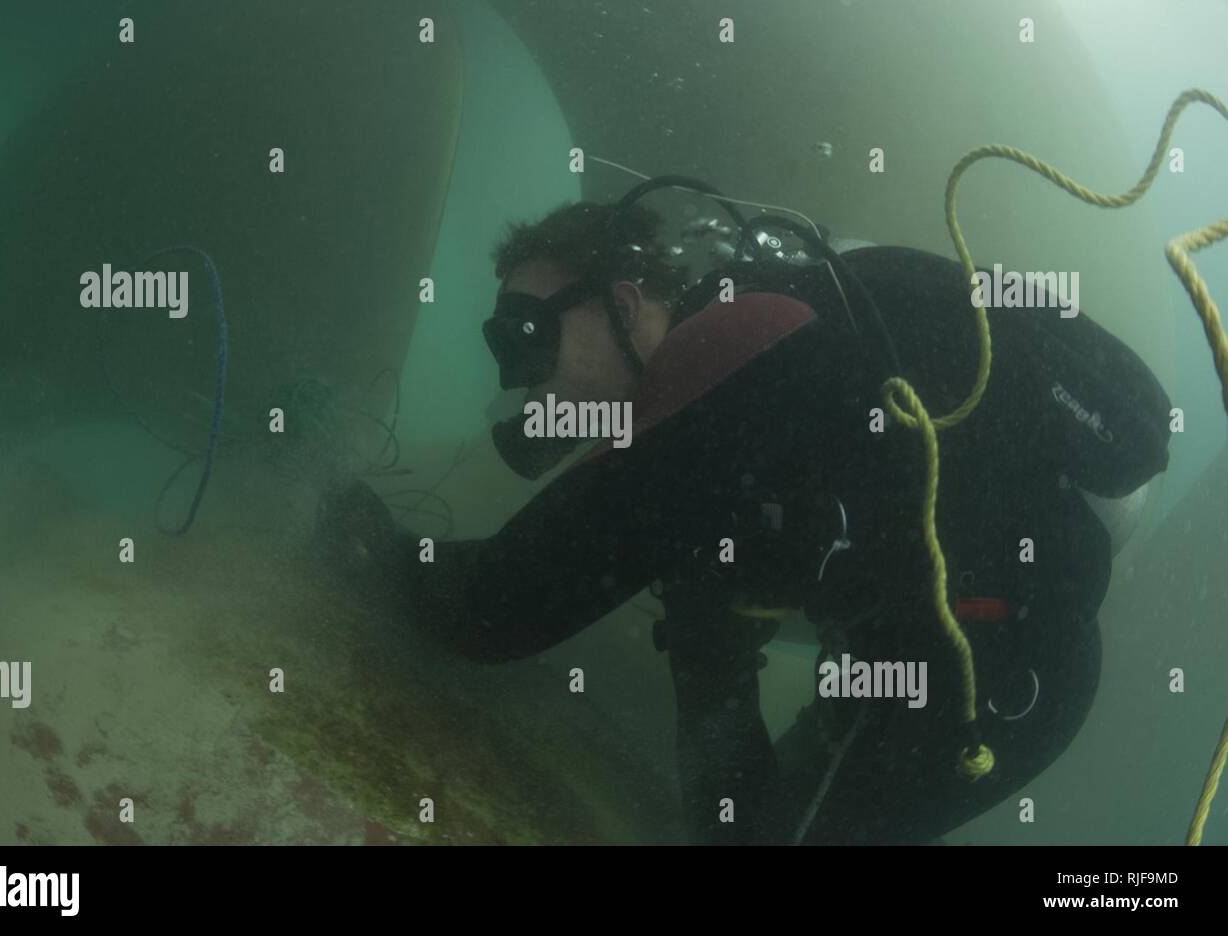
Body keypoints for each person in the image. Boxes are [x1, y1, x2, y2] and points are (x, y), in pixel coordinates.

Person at [316, 192, 1171, 844]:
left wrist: (353, 535)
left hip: (996, 675)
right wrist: (710, 632)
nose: (519, 375)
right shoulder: (751, 350)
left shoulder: (728, 353)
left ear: (622, 299)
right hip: (921, 654)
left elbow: (496, 609)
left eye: (528, 330)